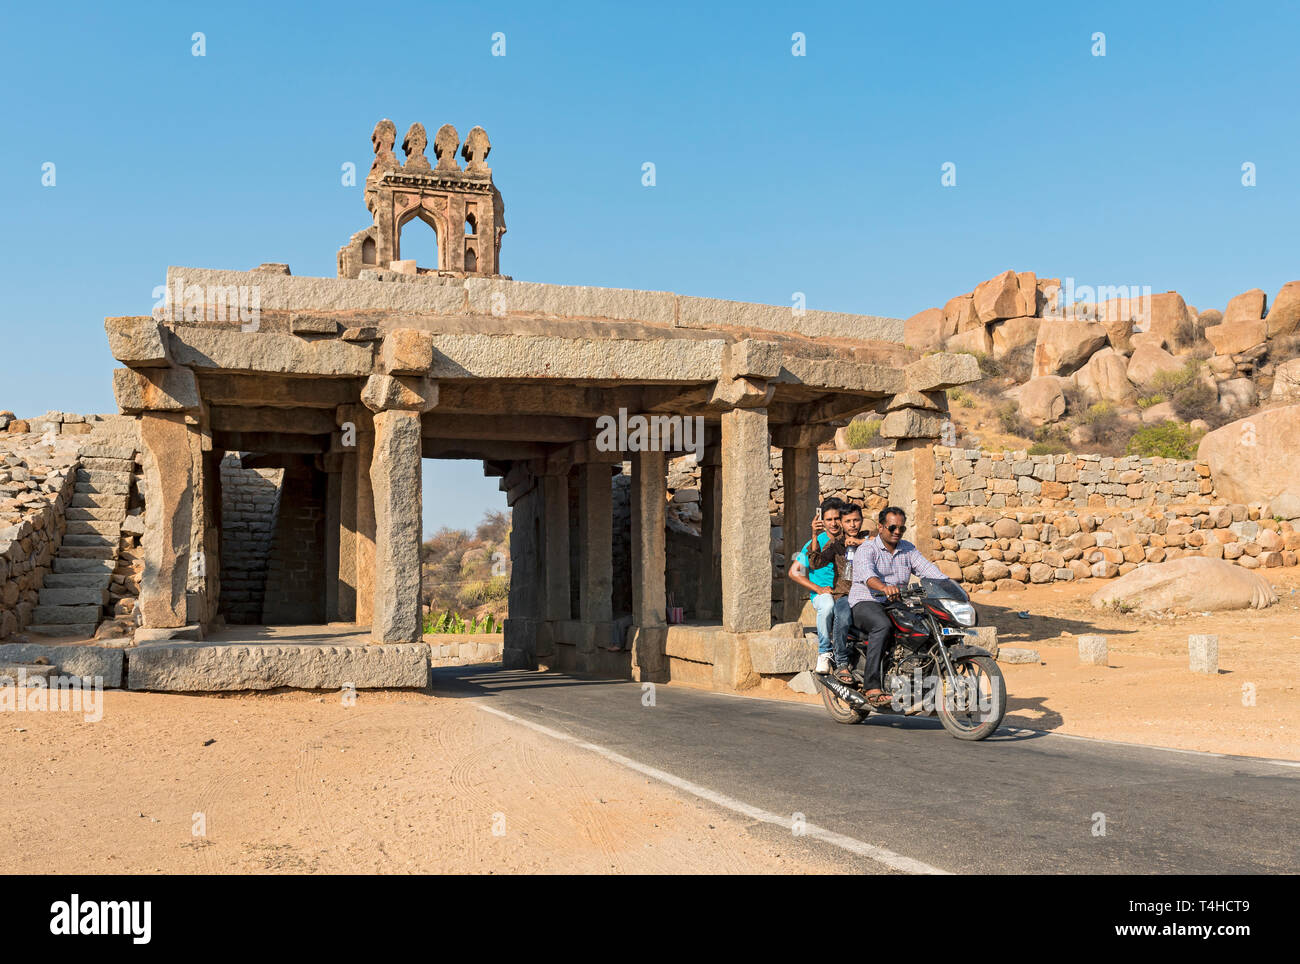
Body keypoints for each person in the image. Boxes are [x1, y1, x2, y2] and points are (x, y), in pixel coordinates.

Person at [848, 506, 946, 707]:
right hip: (867, 601)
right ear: (881, 527)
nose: (897, 532)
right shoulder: (867, 549)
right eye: (892, 527)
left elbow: (928, 570)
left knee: (926, 626)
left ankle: (921, 687)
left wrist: (950, 586)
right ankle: (872, 687)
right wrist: (883, 587)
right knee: (881, 625)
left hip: (896, 602)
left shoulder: (907, 549)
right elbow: (868, 576)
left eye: (901, 528)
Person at [806, 502, 865, 682]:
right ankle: (841, 662)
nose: (852, 525)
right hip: (844, 594)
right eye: (848, 521)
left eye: (856, 520)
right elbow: (815, 563)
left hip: (867, 594)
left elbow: (882, 544)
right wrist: (814, 536)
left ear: (862, 521)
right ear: (843, 523)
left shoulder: (869, 539)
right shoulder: (835, 544)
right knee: (842, 615)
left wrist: (860, 542)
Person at [787, 498, 842, 674]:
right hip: (823, 594)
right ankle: (824, 652)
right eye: (829, 519)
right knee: (827, 604)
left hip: (844, 592)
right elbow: (794, 572)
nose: (833, 523)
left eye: (837, 518)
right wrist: (817, 589)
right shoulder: (814, 543)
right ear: (822, 521)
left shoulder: (850, 540)